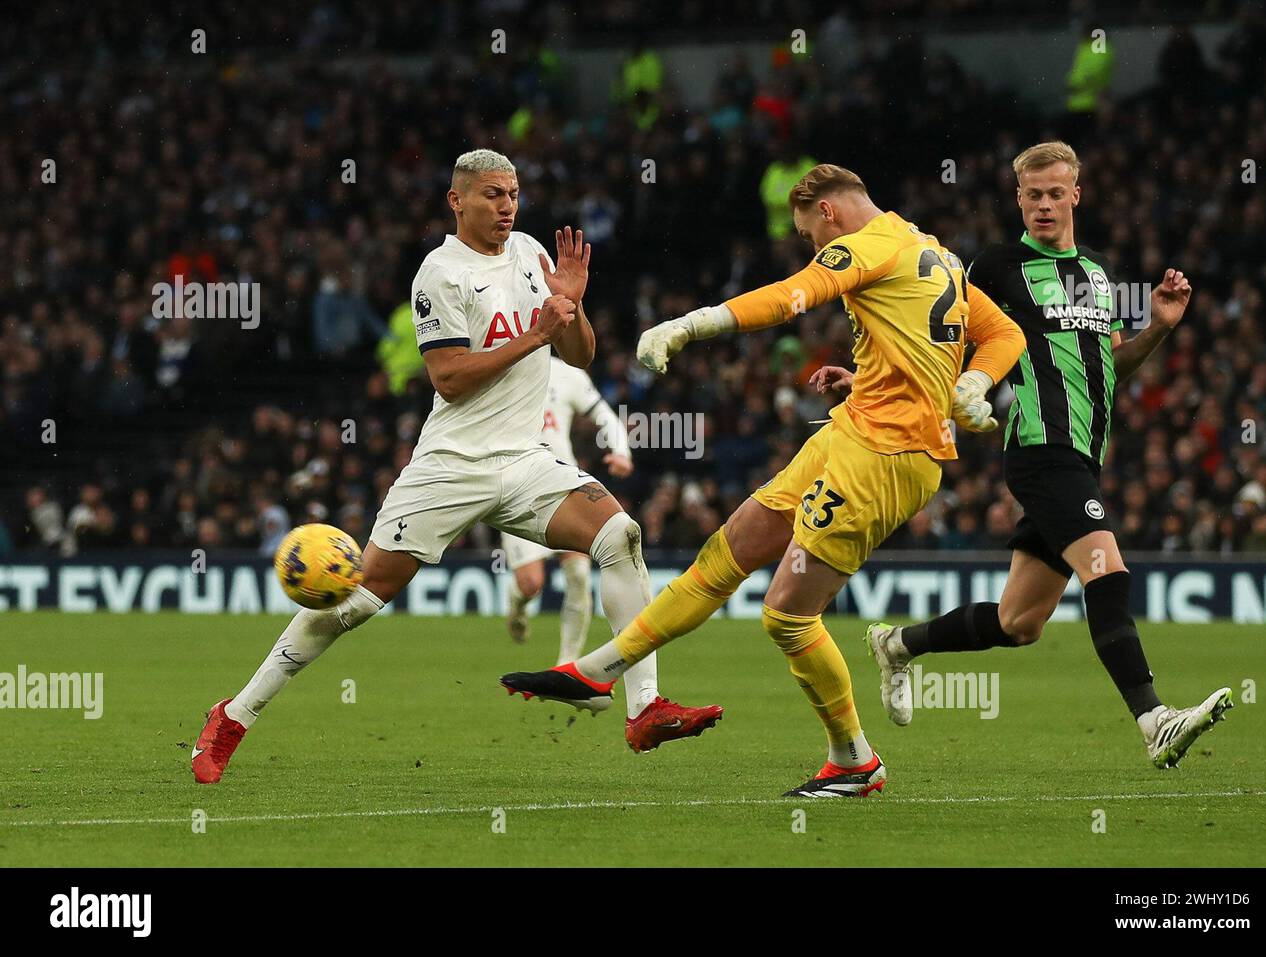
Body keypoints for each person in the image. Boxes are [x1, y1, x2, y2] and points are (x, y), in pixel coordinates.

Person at [191, 149, 721, 784]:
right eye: (493, 195)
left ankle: (643, 708)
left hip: (527, 461)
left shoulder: (531, 254)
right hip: (450, 465)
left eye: (514, 195)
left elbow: (578, 354)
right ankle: (235, 714)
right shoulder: (438, 274)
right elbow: (449, 379)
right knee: (357, 603)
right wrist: (535, 332)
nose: (506, 207)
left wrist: (571, 308)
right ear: (457, 200)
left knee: (620, 534)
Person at [502, 164, 1025, 797]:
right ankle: (598, 671)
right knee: (730, 547)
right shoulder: (931, 252)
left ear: (827, 213)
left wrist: (691, 324)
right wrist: (969, 380)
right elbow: (1004, 333)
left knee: (786, 616)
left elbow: (789, 297)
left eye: (808, 234)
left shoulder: (862, 246)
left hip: (885, 458)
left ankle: (853, 761)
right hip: (851, 432)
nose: (811, 246)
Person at [865, 141, 1231, 769]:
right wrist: (870, 382)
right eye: (1032, 195)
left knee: (1020, 623)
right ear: (1018, 199)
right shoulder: (997, 268)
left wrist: (1160, 329)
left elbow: (1107, 366)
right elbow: (941, 342)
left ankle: (898, 643)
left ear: (1075, 195)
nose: (1042, 205)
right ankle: (1154, 721)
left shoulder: (1099, 271)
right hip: (1038, 447)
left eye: (1054, 193)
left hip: (1084, 456)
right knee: (1107, 571)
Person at [502, 354, 633, 672]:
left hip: (561, 481)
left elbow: (605, 415)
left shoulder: (567, 375)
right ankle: (517, 603)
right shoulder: (502, 364)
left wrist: (621, 452)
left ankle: (566, 664)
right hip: (514, 485)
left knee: (578, 573)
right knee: (531, 583)